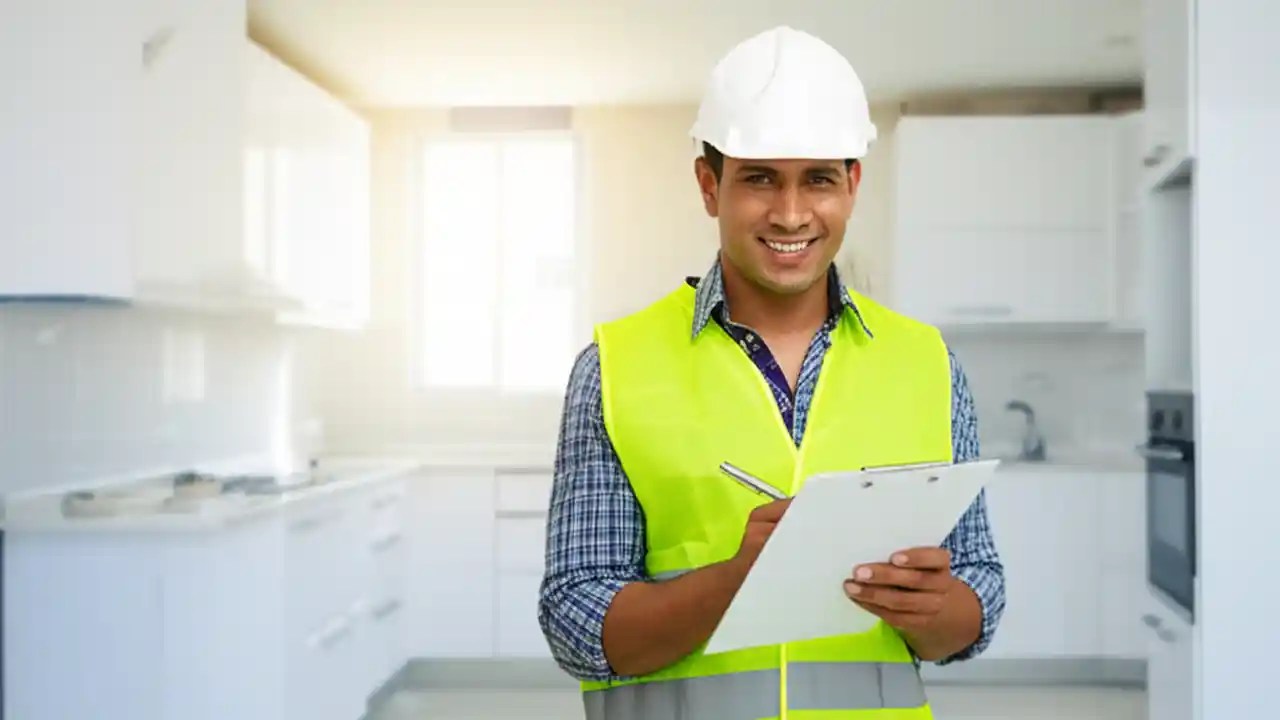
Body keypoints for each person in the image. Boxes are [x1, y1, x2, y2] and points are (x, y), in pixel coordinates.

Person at [538, 25, 1005, 720]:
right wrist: (738, 579)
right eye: (759, 178)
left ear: (852, 184)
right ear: (709, 186)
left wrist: (933, 610)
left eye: (818, 178)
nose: (790, 214)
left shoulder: (929, 364)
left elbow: (978, 595)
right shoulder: (614, 368)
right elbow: (576, 623)